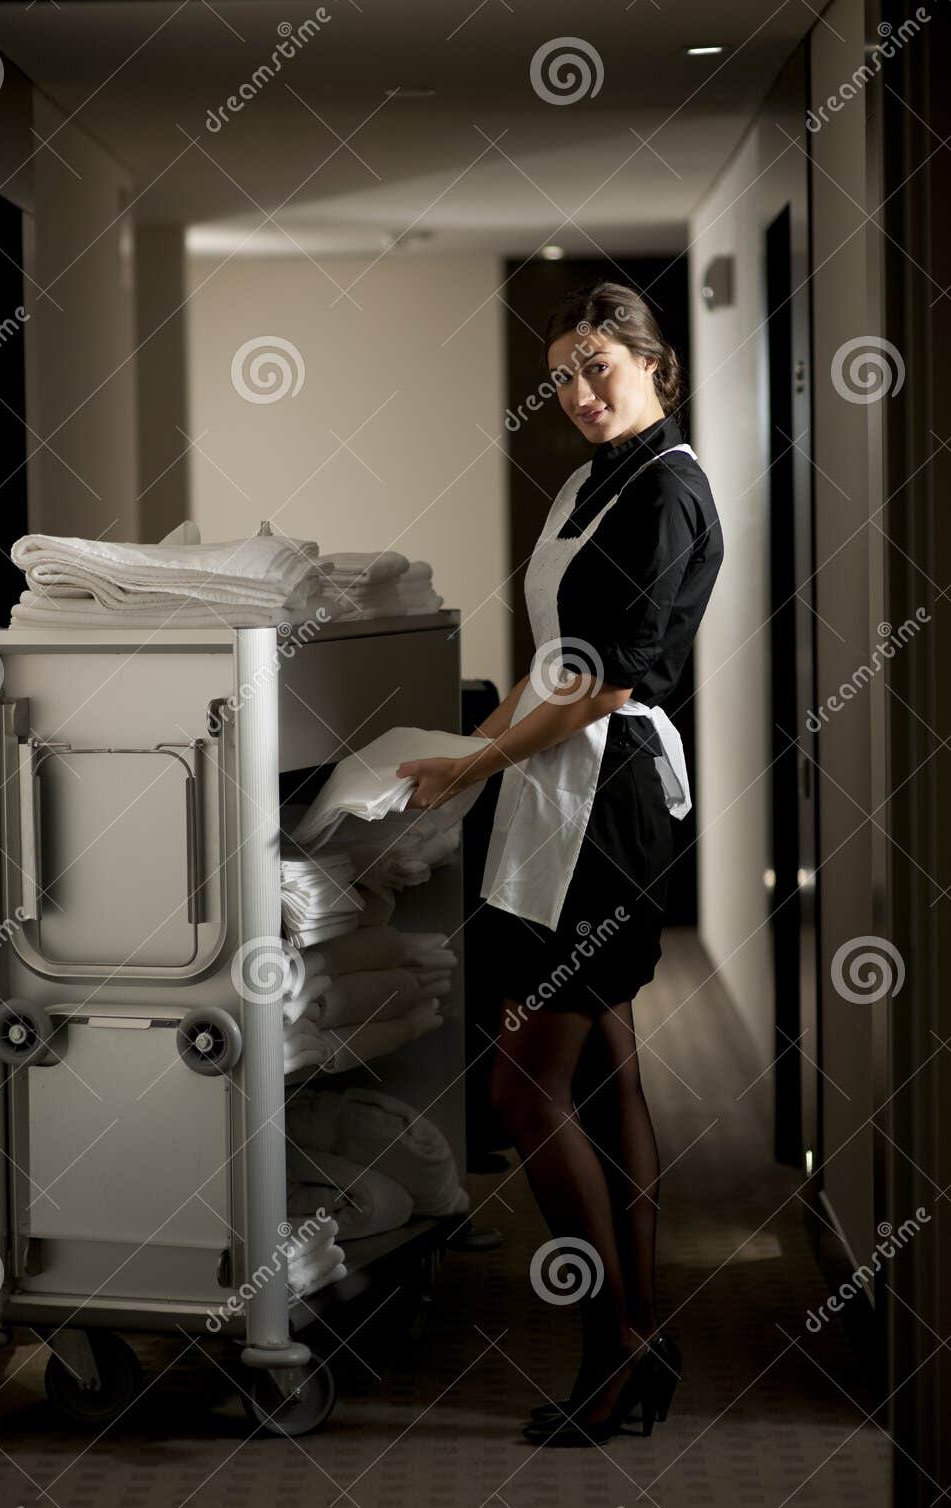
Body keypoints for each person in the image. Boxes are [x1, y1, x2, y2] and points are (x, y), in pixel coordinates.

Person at [397, 280, 724, 1447]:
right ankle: (640, 1334)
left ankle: (616, 1344)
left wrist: (475, 768)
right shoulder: (594, 480)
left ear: (653, 365)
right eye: (564, 378)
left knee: (520, 1084)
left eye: (599, 369)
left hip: (606, 799)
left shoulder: (668, 491)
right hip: (559, 788)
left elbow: (613, 677)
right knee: (606, 1074)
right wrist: (470, 749)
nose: (579, 394)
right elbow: (554, 660)